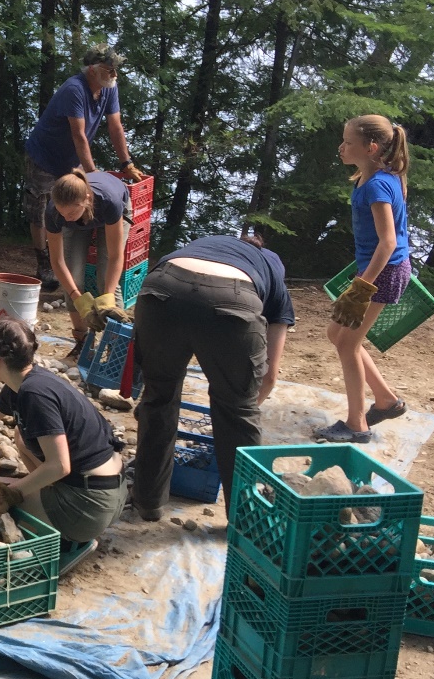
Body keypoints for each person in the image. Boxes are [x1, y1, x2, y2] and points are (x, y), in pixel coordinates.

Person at [130, 233, 294, 519]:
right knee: (237, 412)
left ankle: (149, 502)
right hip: (233, 298)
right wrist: (239, 405)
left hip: (163, 285)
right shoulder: (273, 271)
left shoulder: (209, 243)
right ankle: (244, 520)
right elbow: (269, 376)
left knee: (158, 396)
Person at [0, 318, 127, 575]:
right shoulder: (28, 380)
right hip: (110, 490)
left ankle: (66, 542)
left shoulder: (33, 395)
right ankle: (51, 508)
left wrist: (10, 494)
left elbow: (60, 465)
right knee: (22, 434)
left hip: (89, 505)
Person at [317, 115, 411, 443]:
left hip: (382, 275)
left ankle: (357, 425)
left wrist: (361, 288)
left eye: (348, 142)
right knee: (337, 333)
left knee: (347, 343)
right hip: (373, 271)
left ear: (371, 147)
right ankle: (385, 400)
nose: (341, 147)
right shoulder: (367, 177)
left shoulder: (379, 185)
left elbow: (389, 242)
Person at [22, 45, 143, 289]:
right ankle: (43, 262)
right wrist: (92, 175)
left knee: (72, 203)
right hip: (44, 156)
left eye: (115, 71)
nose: (114, 75)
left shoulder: (109, 89)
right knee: (42, 210)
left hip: (70, 159)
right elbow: (79, 136)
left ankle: (69, 265)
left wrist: (126, 162)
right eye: (109, 70)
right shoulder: (74, 90)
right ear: (92, 69)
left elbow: (115, 127)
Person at [45, 170, 130, 360]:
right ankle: (83, 342)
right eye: (62, 213)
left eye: (71, 212)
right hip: (80, 221)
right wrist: (78, 298)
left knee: (105, 281)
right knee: (72, 279)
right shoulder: (55, 213)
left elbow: (115, 256)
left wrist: (107, 296)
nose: (66, 218)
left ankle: (116, 348)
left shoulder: (109, 201)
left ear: (86, 199)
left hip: (109, 213)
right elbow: (58, 262)